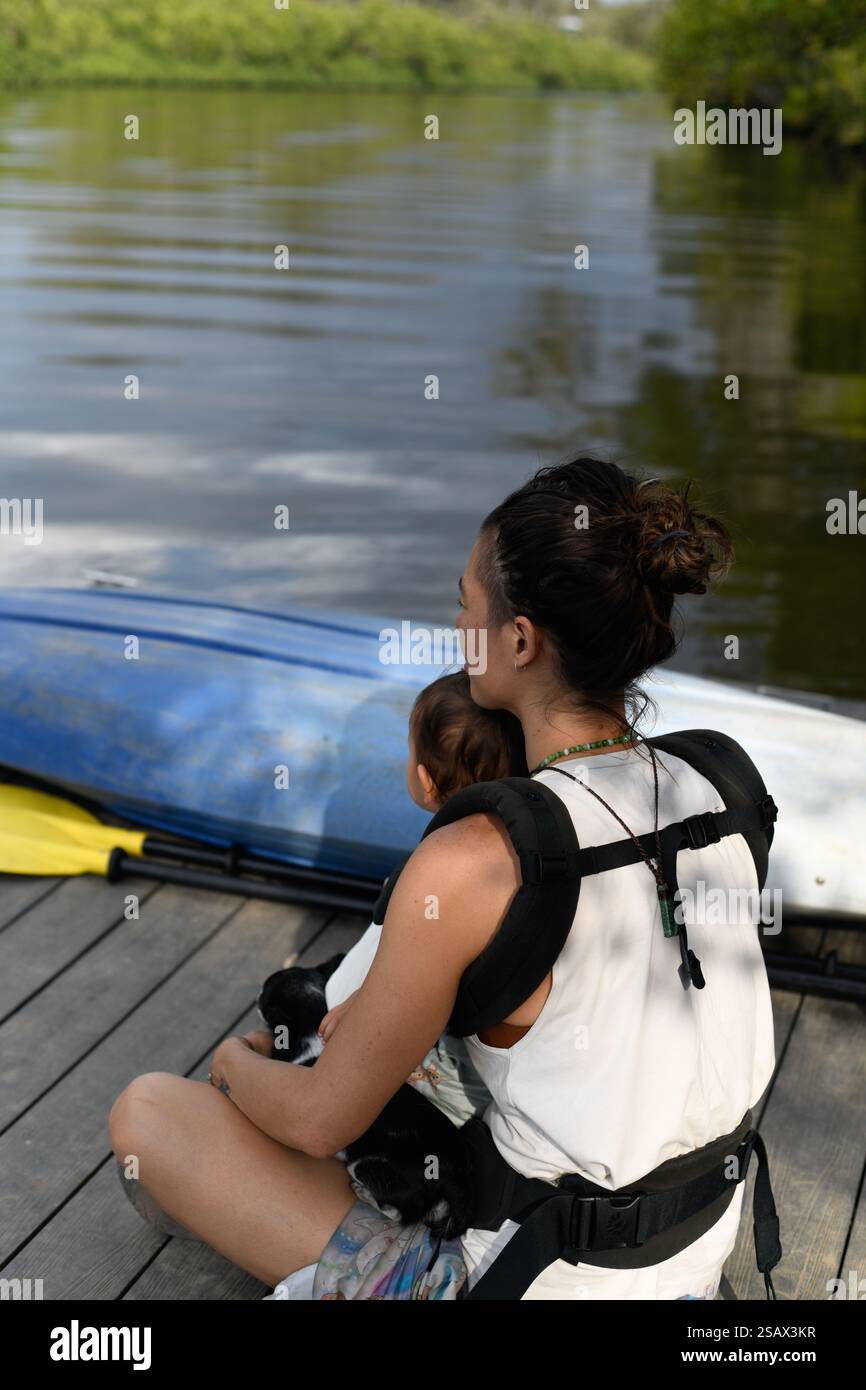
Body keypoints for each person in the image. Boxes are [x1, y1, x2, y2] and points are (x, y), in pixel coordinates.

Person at [109, 455, 775, 1301]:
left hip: (539, 1283)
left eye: (466, 605)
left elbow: (322, 1123)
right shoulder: (721, 785)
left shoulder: (478, 857)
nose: (456, 623)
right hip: (693, 1260)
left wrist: (235, 1066)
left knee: (152, 1114)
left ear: (522, 640)